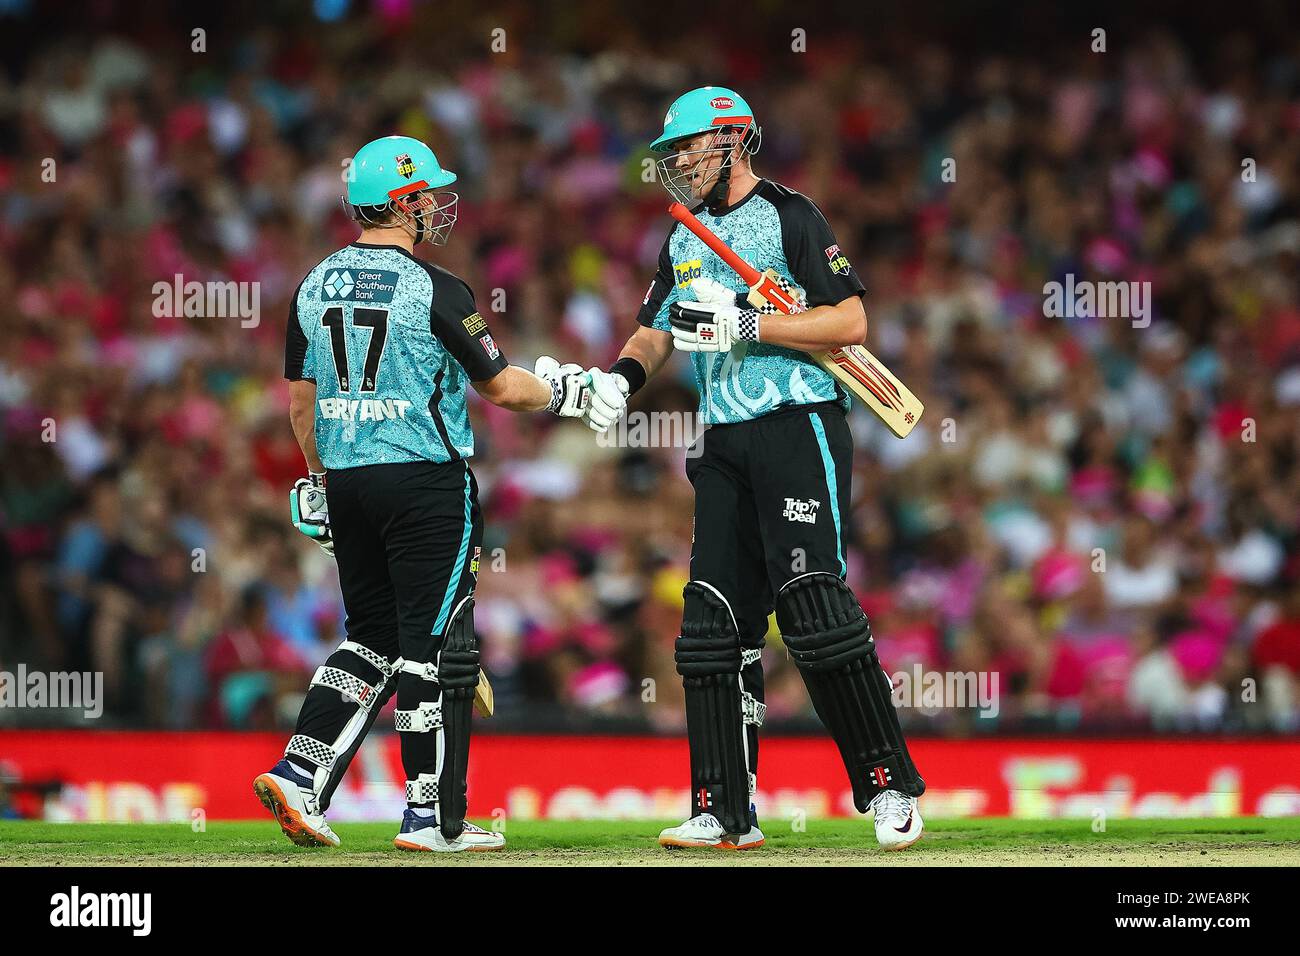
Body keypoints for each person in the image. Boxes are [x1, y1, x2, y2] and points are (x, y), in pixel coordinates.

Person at [580, 87, 927, 850]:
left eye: (688, 148)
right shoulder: (682, 235)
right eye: (669, 153)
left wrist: (750, 320)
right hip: (723, 440)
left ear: (733, 140)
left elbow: (851, 320)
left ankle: (888, 789)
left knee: (813, 607)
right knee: (711, 624)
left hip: (797, 426)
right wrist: (618, 381)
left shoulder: (789, 215)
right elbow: (653, 330)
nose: (676, 164)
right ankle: (723, 810)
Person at [253, 135, 591, 852]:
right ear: (402, 203)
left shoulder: (314, 284)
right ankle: (433, 820)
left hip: (346, 483)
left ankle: (300, 771)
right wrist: (567, 387)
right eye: (428, 194)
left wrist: (319, 481)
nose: (437, 206)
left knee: (370, 639)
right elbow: (502, 386)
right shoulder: (437, 288)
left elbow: (299, 407)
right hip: (425, 485)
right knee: (431, 652)